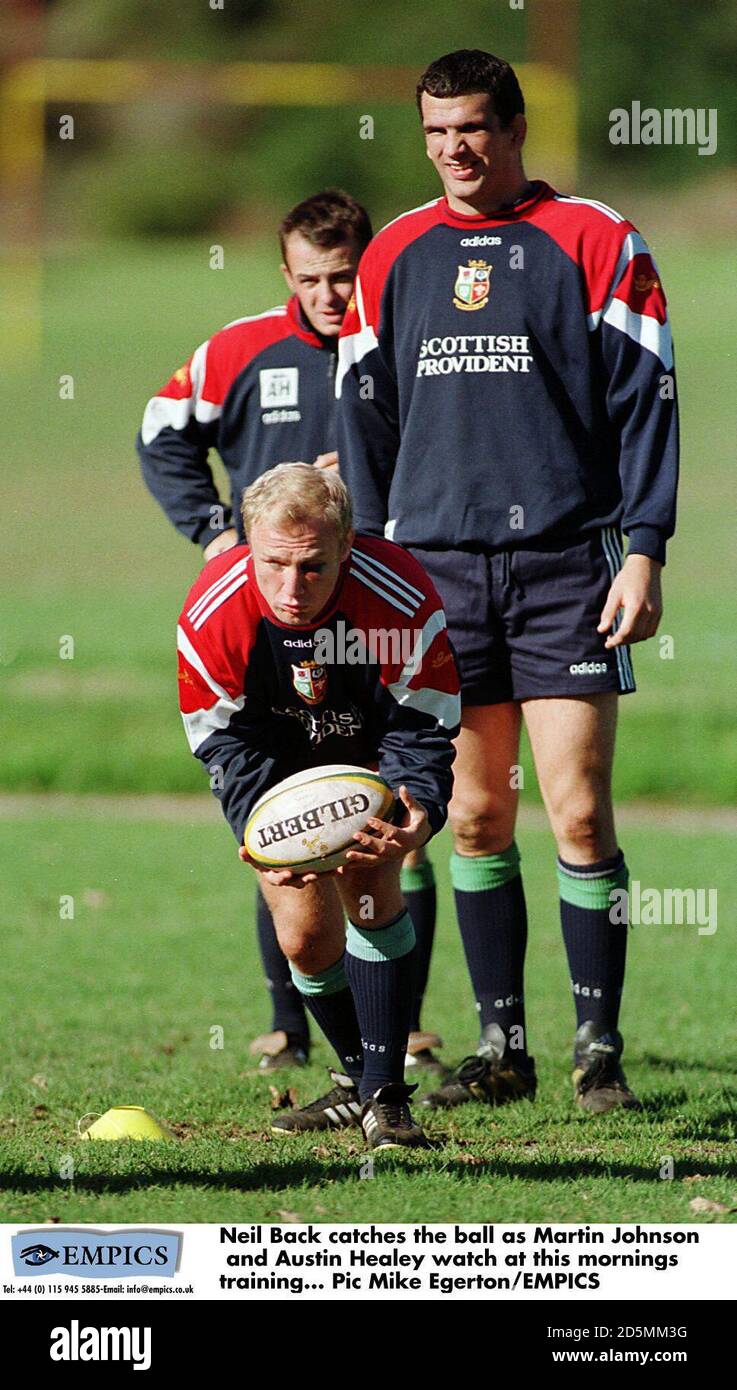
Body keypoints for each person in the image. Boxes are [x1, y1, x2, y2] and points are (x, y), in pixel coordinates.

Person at [337, 49, 679, 1114]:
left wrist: (642, 545)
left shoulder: (592, 237)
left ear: (514, 125)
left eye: (473, 127)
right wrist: (371, 567)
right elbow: (364, 418)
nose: (454, 150)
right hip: (432, 577)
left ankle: (596, 1049)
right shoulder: (392, 251)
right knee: (477, 818)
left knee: (576, 813)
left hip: (562, 565)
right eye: (436, 132)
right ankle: (502, 1047)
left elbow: (645, 401)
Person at [137, 189, 442, 1073]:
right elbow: (159, 432)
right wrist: (215, 531)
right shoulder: (238, 350)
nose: (329, 295)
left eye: (343, 276)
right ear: (285, 276)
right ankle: (289, 1023)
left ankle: (401, 1033)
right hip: (267, 616)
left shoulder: (405, 344)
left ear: (369, 265)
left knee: (387, 833)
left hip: (378, 610)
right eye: (309, 278)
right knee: (285, 816)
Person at [176, 464, 460, 1149]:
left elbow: (422, 718)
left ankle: (387, 1102)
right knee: (301, 932)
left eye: (313, 567)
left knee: (368, 885)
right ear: (248, 544)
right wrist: (257, 826)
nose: (291, 587)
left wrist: (417, 805)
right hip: (275, 761)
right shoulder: (215, 610)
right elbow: (220, 736)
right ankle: (357, 1081)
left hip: (371, 745)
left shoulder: (396, 596)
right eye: (274, 564)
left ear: (348, 546)